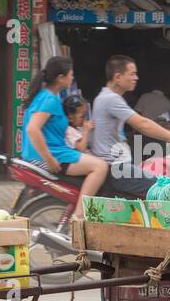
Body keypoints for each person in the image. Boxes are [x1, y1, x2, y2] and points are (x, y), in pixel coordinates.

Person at [91, 55, 170, 197]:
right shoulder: (111, 99)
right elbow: (142, 123)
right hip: (116, 169)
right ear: (118, 77)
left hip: (116, 165)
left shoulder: (104, 97)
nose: (136, 78)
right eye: (132, 74)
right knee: (165, 189)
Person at [21, 58, 107, 218]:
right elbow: (33, 129)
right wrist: (49, 159)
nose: (72, 78)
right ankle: (79, 215)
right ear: (61, 77)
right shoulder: (49, 99)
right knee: (100, 167)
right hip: (54, 155)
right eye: (71, 74)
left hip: (45, 153)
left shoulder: (43, 95)